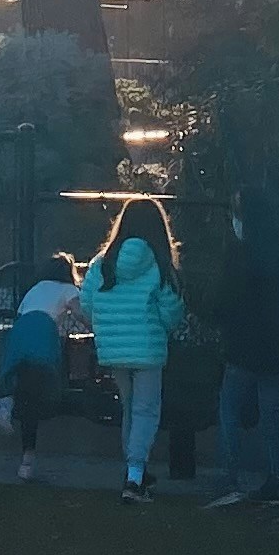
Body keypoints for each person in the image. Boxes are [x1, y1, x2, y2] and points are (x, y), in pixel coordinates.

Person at [85, 196, 185, 502]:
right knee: (146, 411)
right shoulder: (158, 265)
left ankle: (133, 470)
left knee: (129, 408)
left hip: (114, 349)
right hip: (148, 348)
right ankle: (135, 476)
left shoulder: (103, 263)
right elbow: (171, 311)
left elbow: (87, 303)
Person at [210, 201, 279, 514]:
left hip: (242, 347)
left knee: (229, 409)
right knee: (271, 412)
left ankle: (229, 478)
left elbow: (224, 299)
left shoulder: (237, 254)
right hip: (278, 349)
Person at [0, 253, 83, 481]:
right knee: (41, 384)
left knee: (22, 378)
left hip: (20, 332)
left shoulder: (36, 288)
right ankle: (27, 460)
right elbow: (81, 315)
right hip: (42, 332)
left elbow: (22, 314)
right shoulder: (68, 290)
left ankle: (6, 402)